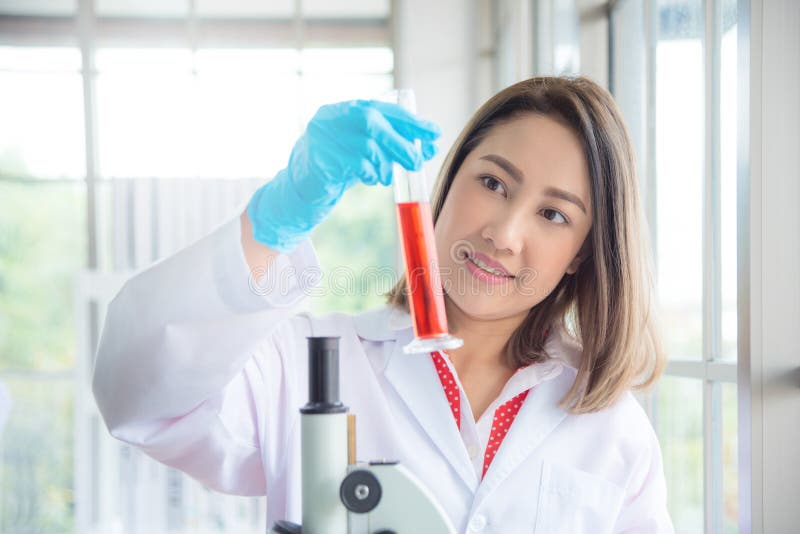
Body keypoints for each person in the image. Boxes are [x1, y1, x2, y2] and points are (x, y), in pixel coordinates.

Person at [93, 76, 674, 533]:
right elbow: (135, 394)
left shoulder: (613, 430)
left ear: (581, 253)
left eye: (554, 215)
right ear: (446, 185)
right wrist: (273, 221)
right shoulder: (307, 363)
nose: (504, 233)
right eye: (493, 183)